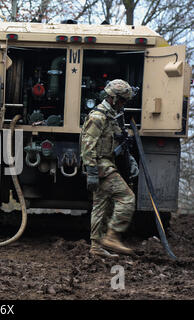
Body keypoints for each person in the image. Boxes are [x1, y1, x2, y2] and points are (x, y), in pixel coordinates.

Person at [80, 79, 139, 258]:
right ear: (113, 98)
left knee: (101, 206)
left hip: (105, 163)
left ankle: (97, 246)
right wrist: (91, 171)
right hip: (101, 166)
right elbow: (87, 145)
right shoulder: (98, 117)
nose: (123, 104)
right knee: (127, 198)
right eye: (122, 101)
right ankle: (112, 236)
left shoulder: (112, 116)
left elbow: (117, 141)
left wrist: (130, 159)